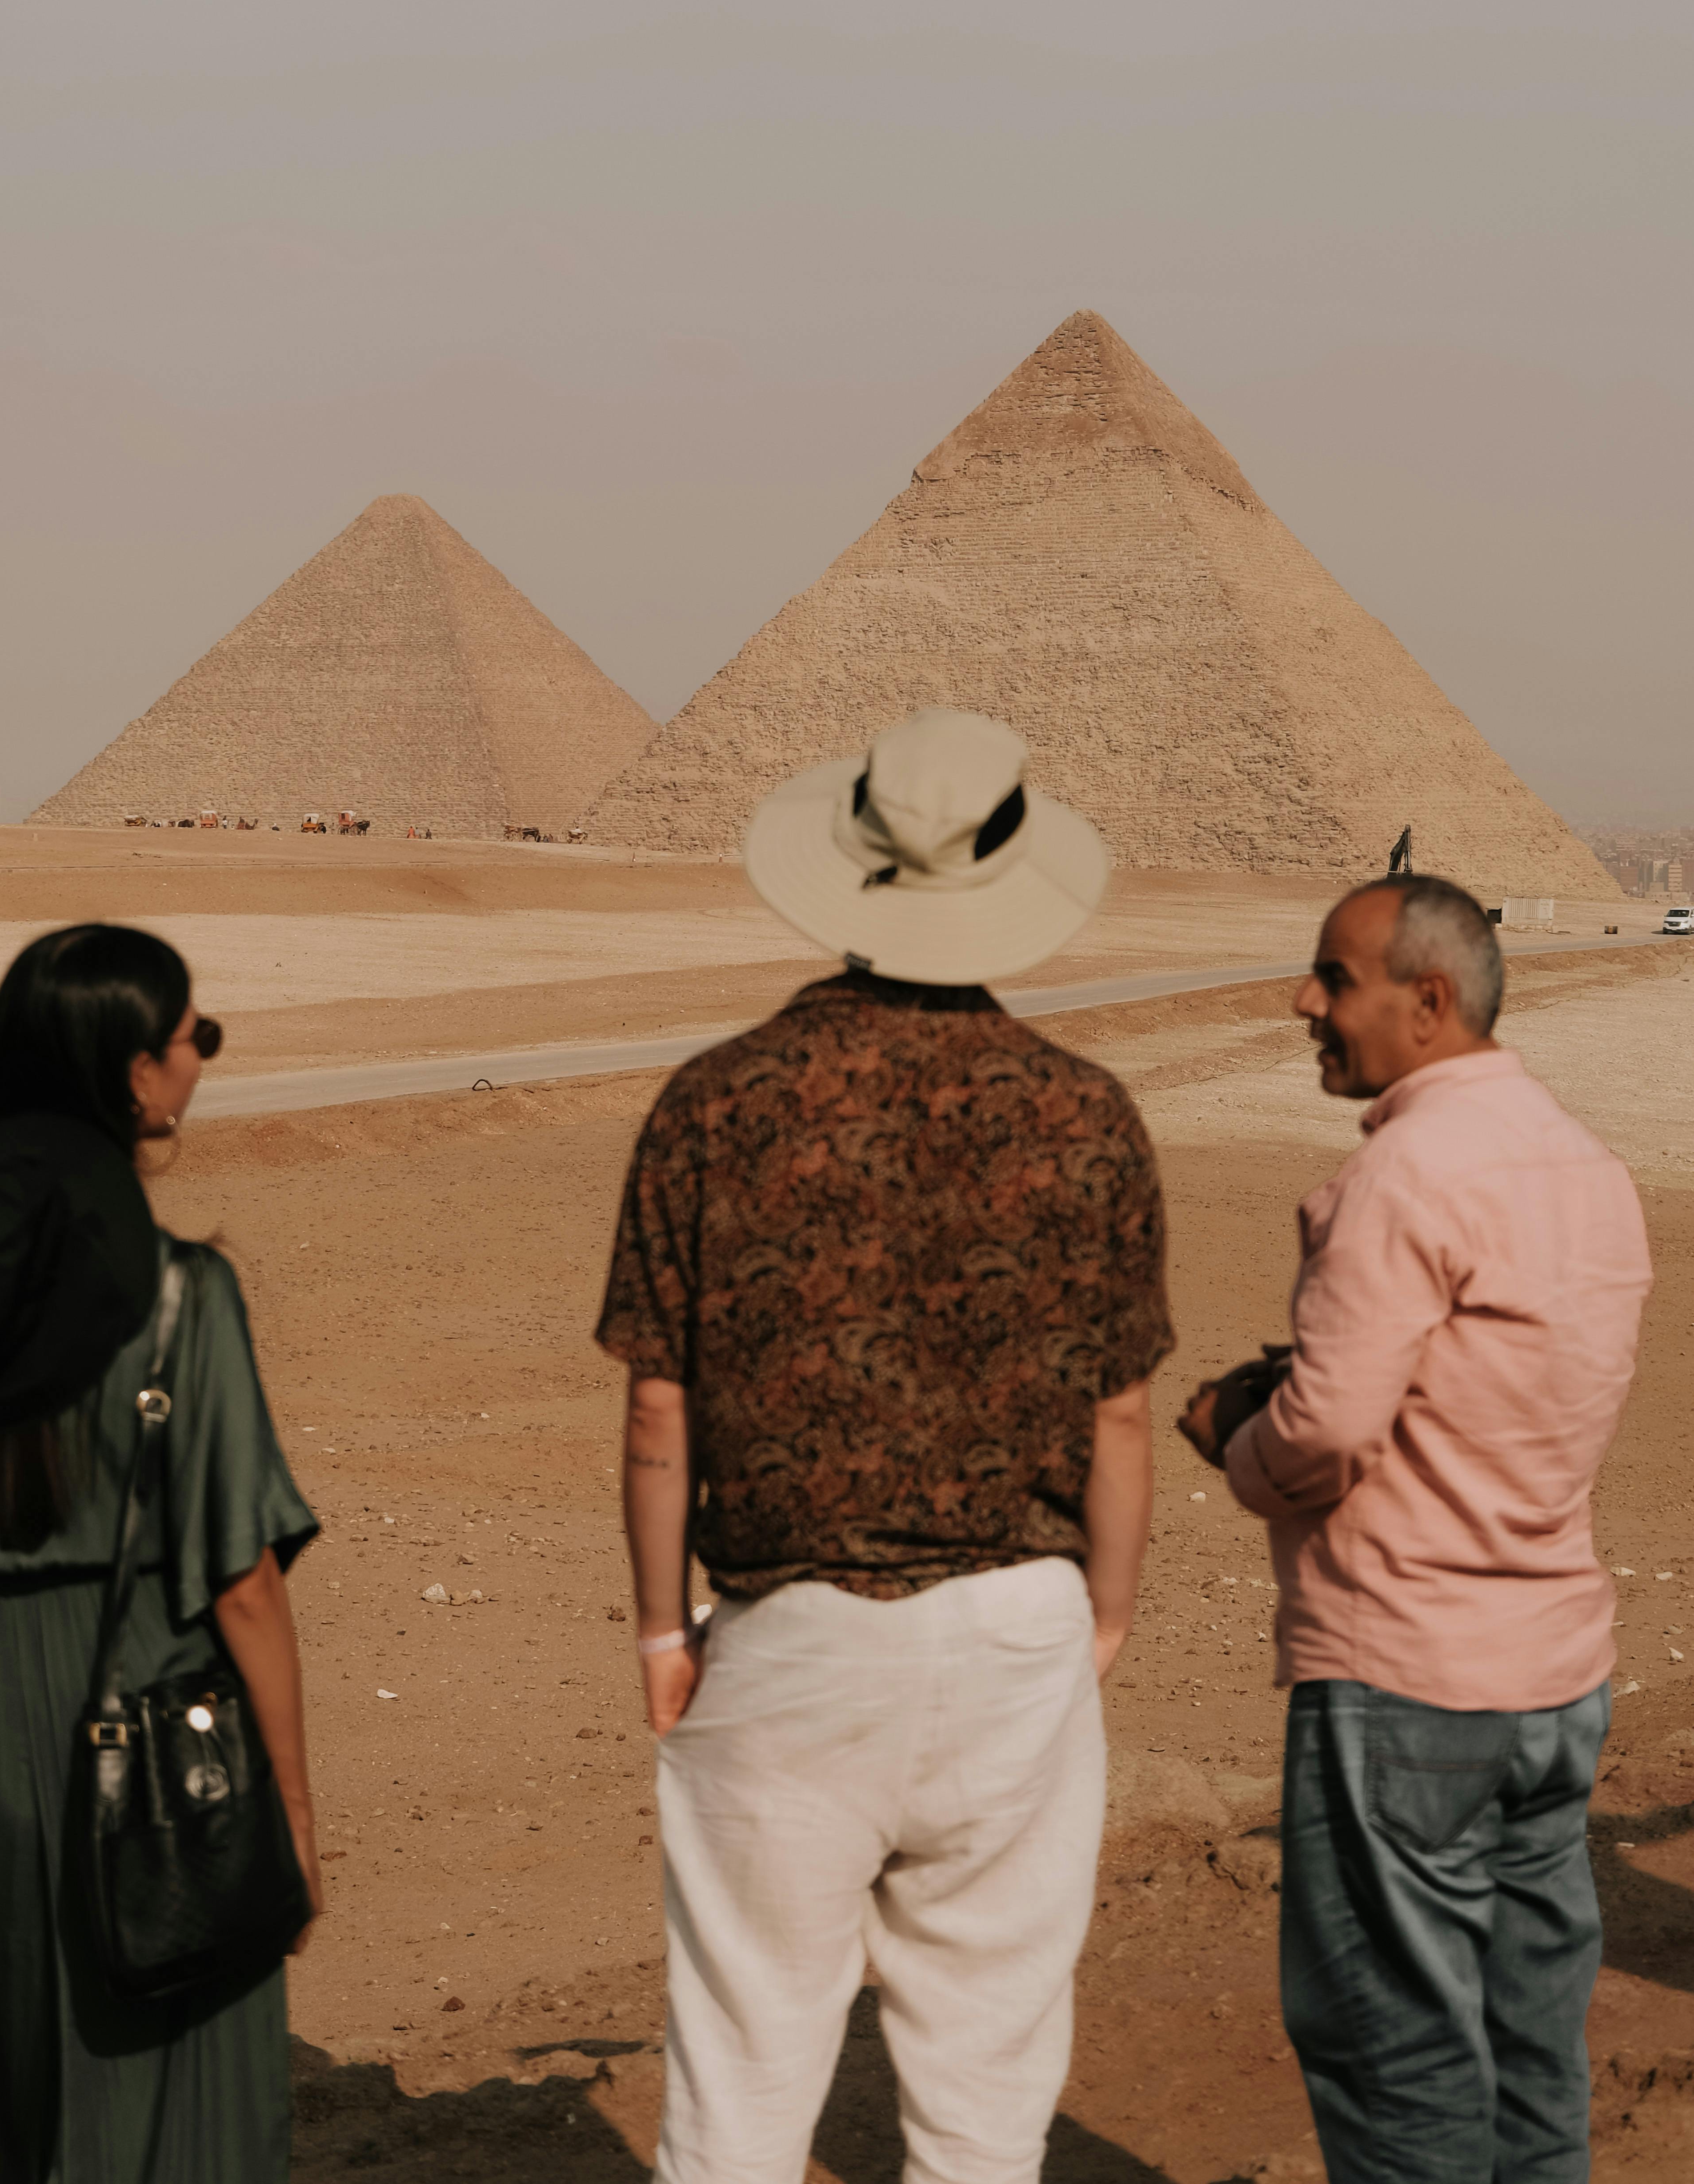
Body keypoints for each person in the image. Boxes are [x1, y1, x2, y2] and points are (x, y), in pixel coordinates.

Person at [596, 707, 1172, 2184]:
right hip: (1019, 1636)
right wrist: (1100, 1611)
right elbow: (1121, 1410)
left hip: (790, 1643)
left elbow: (659, 1405)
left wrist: (664, 1628)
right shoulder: (1090, 1118)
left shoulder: (714, 1103)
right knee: (984, 2090)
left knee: (739, 2075)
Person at [1180, 875, 1652, 2184]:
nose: (1305, 1002)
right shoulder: (1591, 1168)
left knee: (1402, 2070)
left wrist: (1235, 1437)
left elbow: (1328, 1432)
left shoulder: (1402, 1176)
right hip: (1554, 1677)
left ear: (1428, 1003)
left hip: (1409, 1679)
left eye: (1335, 979)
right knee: (1531, 2060)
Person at [0, 924, 323, 2184]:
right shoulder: (182, 1297)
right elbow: (242, 1581)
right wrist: (286, 1799)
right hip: (157, 1710)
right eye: (196, 1039)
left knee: (35, 2070)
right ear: (133, 1073)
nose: (202, 1064)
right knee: (182, 2088)